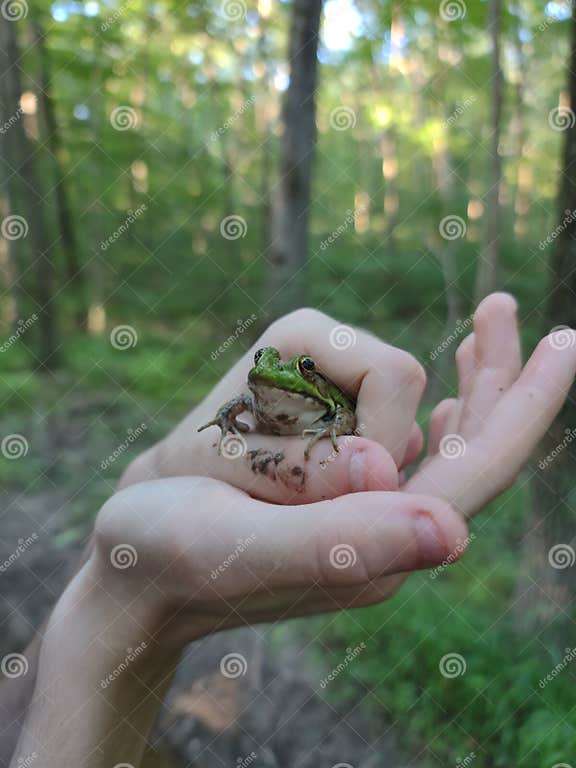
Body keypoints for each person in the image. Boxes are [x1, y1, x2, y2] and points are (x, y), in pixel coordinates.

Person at [1, 293, 574, 768]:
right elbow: (242, 410)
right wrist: (124, 602)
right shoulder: (259, 398)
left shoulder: (325, 405)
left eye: (295, 369)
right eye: (265, 369)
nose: (271, 375)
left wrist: (143, 487)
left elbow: (15, 724)